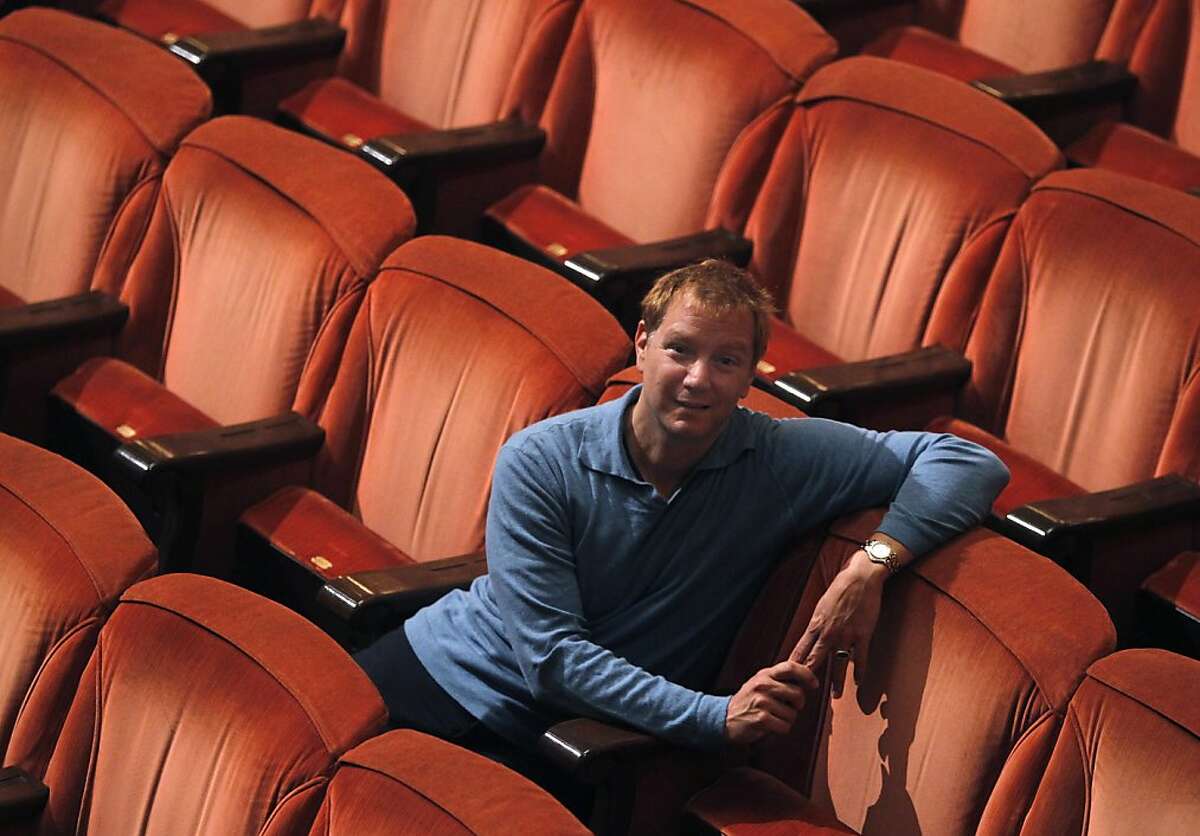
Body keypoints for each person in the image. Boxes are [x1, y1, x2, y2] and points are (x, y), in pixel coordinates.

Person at [356, 259, 1008, 767]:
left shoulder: (780, 458)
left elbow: (968, 463)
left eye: (726, 360)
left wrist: (871, 566)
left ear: (753, 372)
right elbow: (551, 659)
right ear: (642, 344)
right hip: (440, 673)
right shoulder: (540, 460)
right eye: (680, 350)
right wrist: (713, 716)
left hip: (569, 743)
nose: (698, 379)